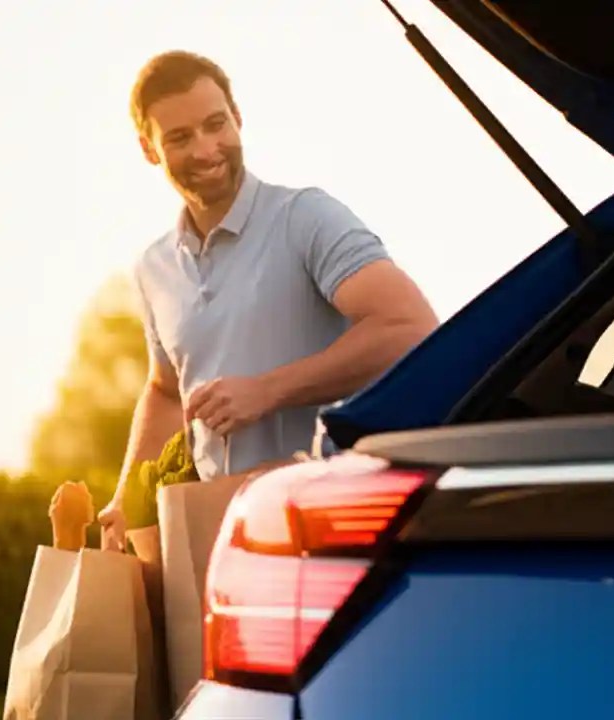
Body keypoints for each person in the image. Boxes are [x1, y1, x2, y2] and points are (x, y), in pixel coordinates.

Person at [96, 50, 438, 550]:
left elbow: (408, 328)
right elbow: (167, 391)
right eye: (180, 137)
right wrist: (127, 498)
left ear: (238, 118)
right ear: (150, 149)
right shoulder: (154, 268)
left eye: (216, 124)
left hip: (329, 521)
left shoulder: (306, 218)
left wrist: (266, 390)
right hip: (216, 536)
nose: (207, 148)